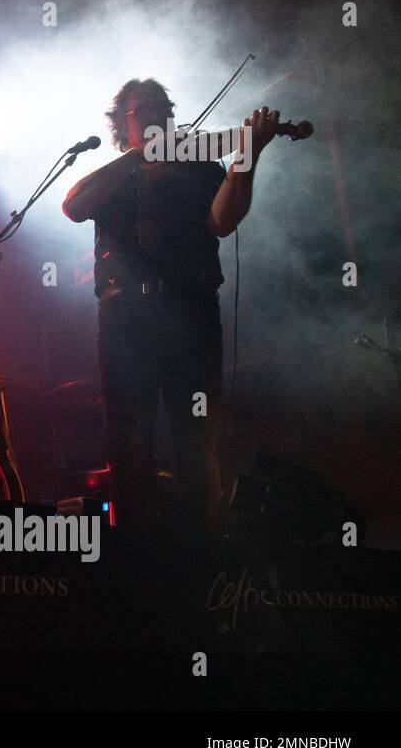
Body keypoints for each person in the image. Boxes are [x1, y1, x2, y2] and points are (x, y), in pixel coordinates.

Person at [62, 79, 279, 534]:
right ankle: (134, 557)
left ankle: (199, 559)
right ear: (123, 123)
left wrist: (247, 156)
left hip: (190, 315)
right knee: (129, 440)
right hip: (126, 321)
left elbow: (222, 221)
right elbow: (73, 205)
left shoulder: (200, 169)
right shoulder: (117, 173)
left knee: (198, 440)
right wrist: (139, 156)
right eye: (144, 111)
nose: (157, 116)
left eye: (163, 108)